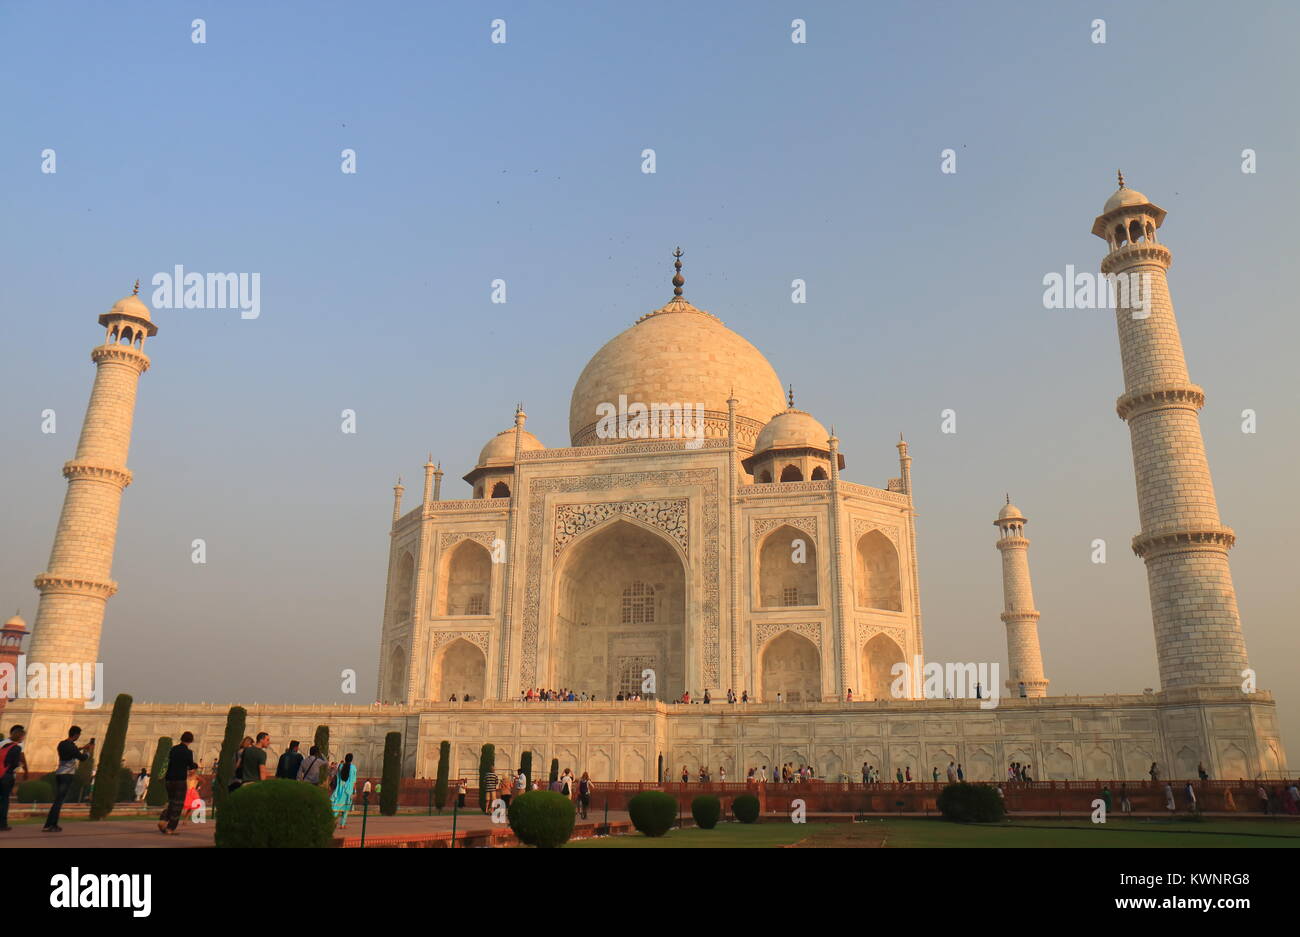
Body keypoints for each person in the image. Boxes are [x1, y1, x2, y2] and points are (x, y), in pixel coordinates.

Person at [43, 726, 93, 832]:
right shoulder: (72, 747)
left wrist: (81, 748)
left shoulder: (62, 744)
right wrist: (88, 751)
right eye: (78, 735)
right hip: (67, 775)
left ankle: (49, 824)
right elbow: (83, 758)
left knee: (57, 800)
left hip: (59, 773)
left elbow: (71, 752)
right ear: (76, 735)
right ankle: (52, 825)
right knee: (59, 801)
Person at [158, 731, 198, 835]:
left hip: (169, 780)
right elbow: (191, 766)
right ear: (191, 741)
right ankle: (170, 828)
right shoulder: (188, 752)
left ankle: (163, 820)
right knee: (178, 805)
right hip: (180, 780)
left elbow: (167, 762)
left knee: (171, 802)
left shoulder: (173, 749)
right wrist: (194, 766)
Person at [0, 725, 29, 832]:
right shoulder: (17, 748)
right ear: (20, 737)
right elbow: (15, 764)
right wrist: (23, 767)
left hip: (0, 773)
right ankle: (2, 824)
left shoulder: (3, 745)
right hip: (7, 776)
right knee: (4, 800)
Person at [331, 753, 357, 828]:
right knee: (345, 808)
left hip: (340, 790)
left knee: (337, 807)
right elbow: (354, 781)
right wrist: (355, 791)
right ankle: (342, 824)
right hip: (348, 791)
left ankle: (332, 822)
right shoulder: (353, 768)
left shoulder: (341, 766)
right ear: (351, 759)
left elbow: (338, 778)